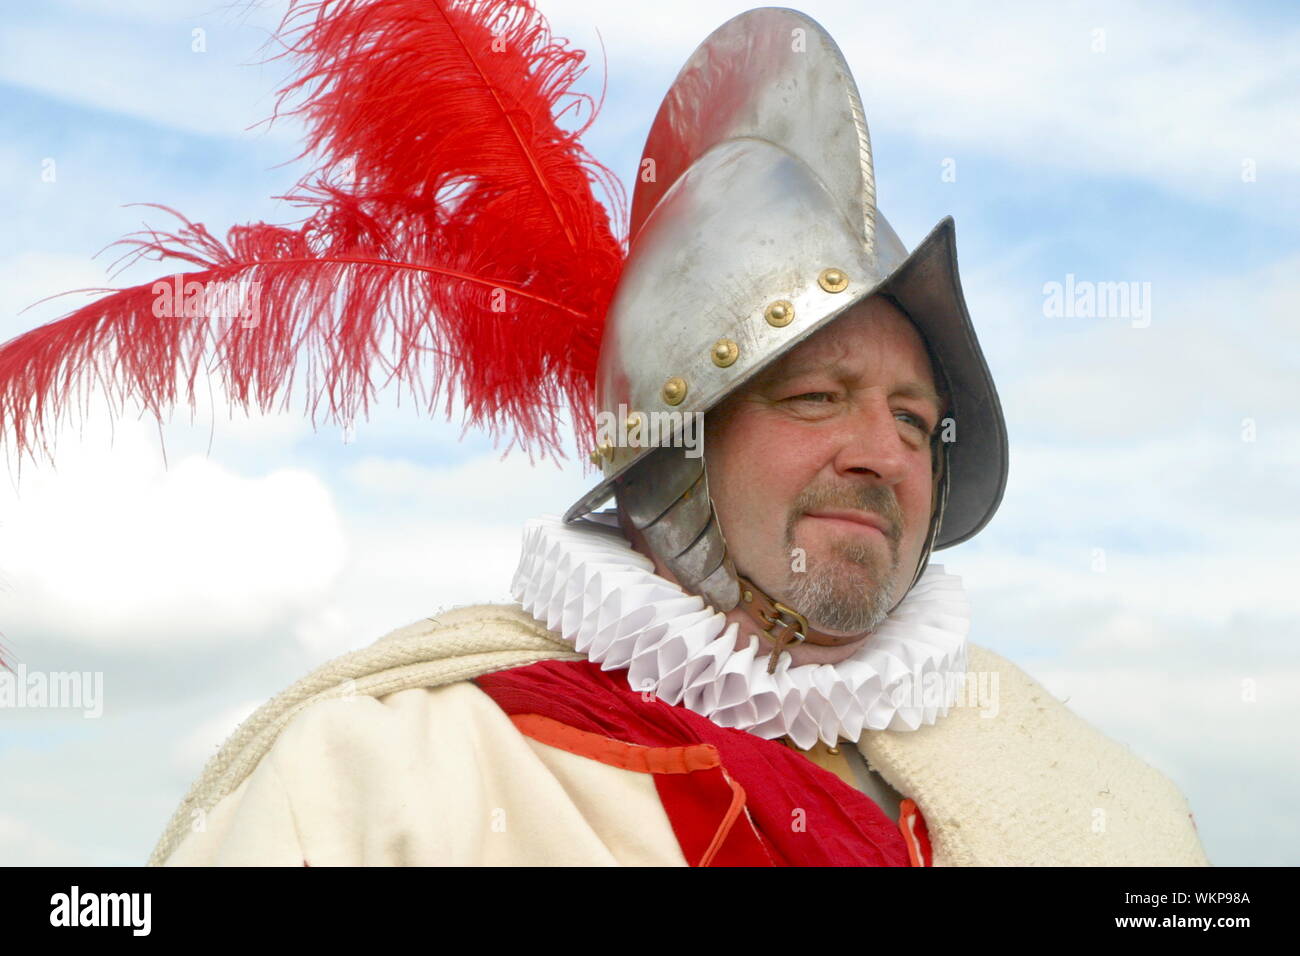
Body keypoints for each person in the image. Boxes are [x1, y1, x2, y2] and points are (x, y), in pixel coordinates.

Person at [1, 1, 1208, 866]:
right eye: (812, 397)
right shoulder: (388, 778)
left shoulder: (1071, 785)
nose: (882, 452)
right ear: (676, 446)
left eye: (913, 419)